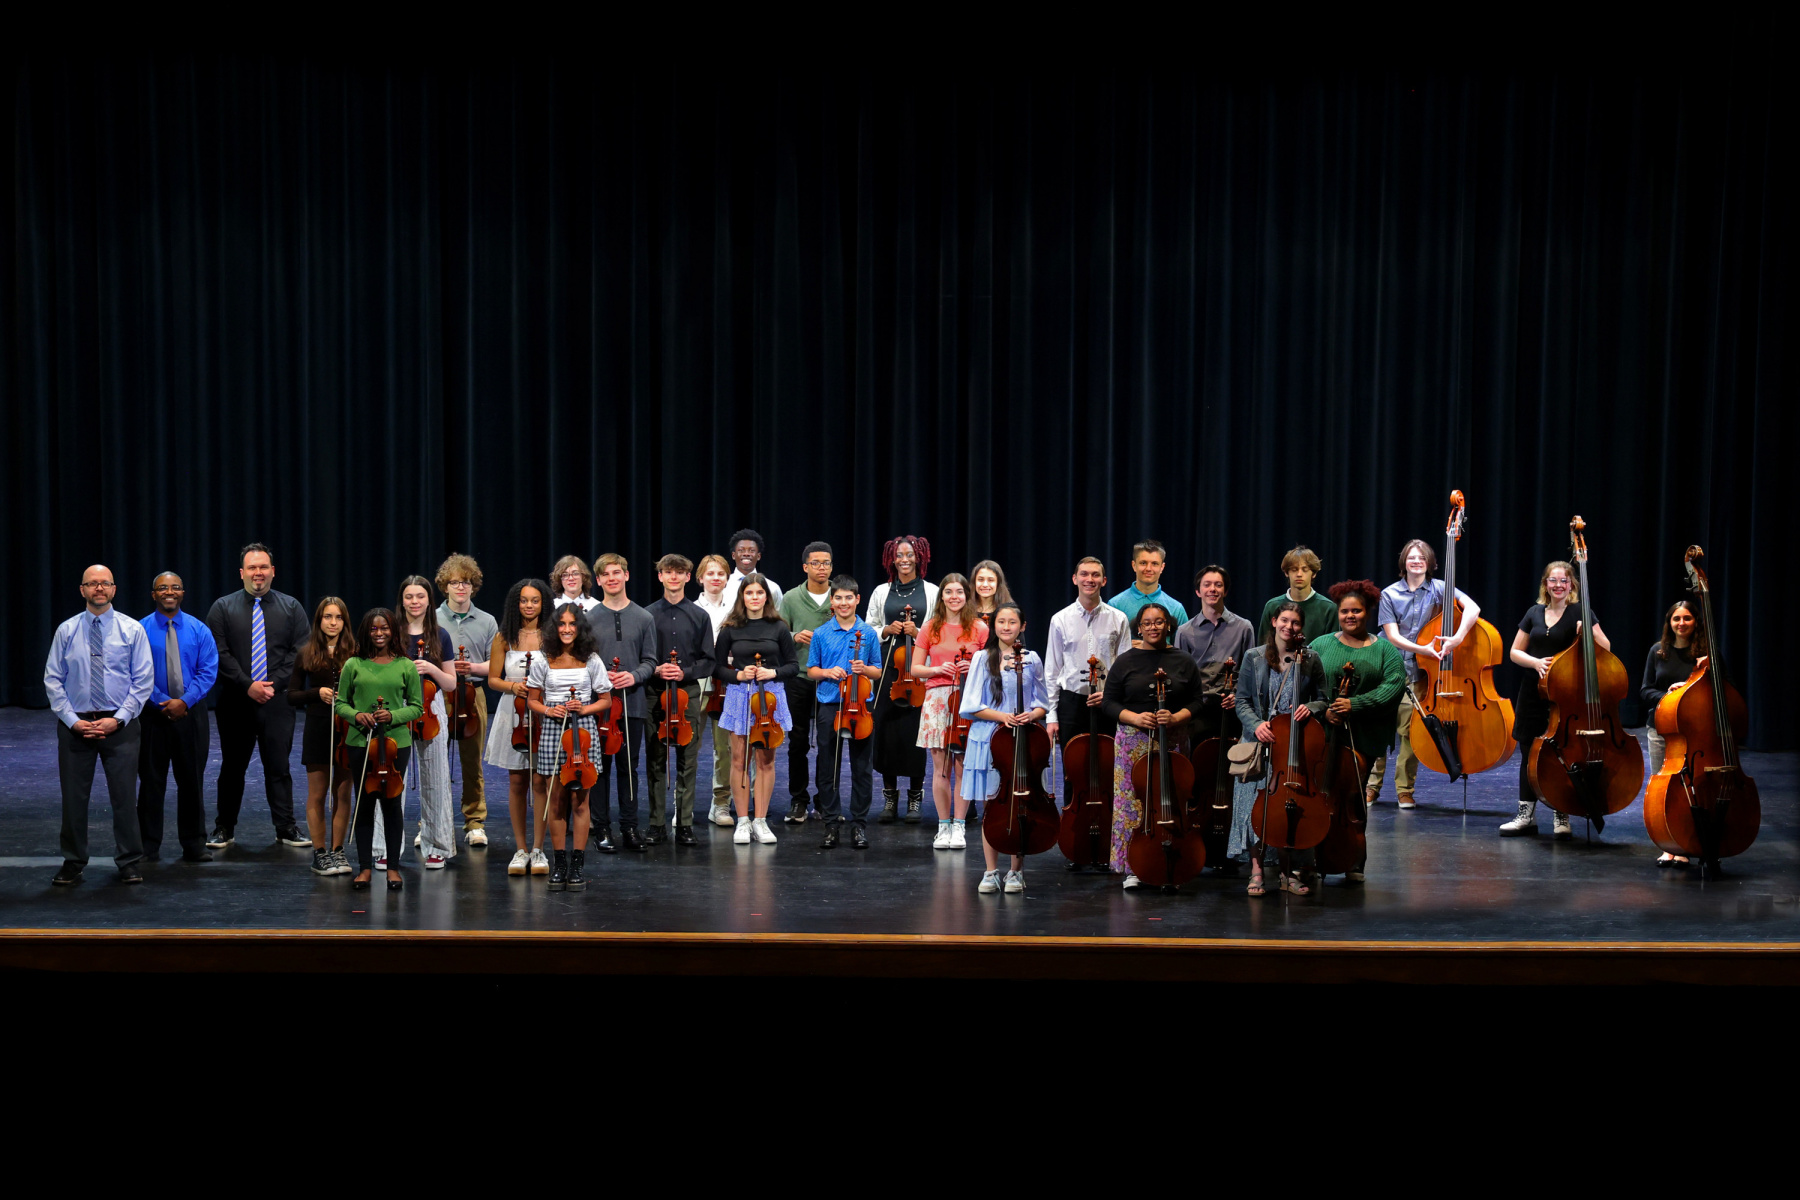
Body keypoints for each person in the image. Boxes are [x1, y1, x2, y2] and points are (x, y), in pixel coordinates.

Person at [44, 565, 154, 886]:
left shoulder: (132, 630)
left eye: (104, 583)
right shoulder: (66, 631)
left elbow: (143, 680)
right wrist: (73, 721)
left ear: (114, 589)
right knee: (74, 798)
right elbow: (53, 680)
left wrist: (118, 718)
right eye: (92, 584)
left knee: (124, 797)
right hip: (76, 724)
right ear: (82, 590)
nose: (99, 589)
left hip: (120, 723)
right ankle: (74, 861)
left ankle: (130, 861)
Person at [206, 543, 311, 849]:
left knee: (278, 766)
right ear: (242, 573)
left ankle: (286, 828)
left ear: (273, 571)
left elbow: (299, 653)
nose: (258, 573)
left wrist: (272, 685)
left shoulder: (291, 608)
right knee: (232, 768)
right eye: (252, 568)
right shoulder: (222, 608)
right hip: (236, 700)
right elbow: (219, 654)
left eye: (263, 567)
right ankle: (224, 828)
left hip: (277, 701)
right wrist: (247, 684)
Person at [1502, 561, 1614, 838]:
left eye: (1564, 581)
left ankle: (1560, 815)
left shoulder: (1581, 611)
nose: (1558, 586)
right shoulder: (1534, 612)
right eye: (1553, 581)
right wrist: (1535, 662)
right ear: (1546, 584)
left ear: (1571, 585)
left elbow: (1606, 647)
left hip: (1566, 696)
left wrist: (1585, 631)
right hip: (1533, 692)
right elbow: (1515, 652)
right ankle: (1525, 815)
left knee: (1561, 754)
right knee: (1529, 753)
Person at [1371, 539, 1481, 810]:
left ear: (1430, 563)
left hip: (1420, 674)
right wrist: (1423, 648)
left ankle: (1404, 790)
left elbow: (1473, 609)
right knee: (1378, 731)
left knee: (1411, 733)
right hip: (1387, 669)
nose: (1416, 561)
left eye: (1421, 557)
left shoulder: (1440, 588)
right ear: (1404, 562)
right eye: (1411, 557)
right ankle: (1370, 787)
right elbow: (1393, 637)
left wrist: (1456, 638)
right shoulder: (1389, 594)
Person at [1310, 580, 1407, 884]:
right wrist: (1325, 709)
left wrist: (1355, 704)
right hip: (1323, 734)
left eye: (1357, 611)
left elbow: (1393, 687)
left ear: (1368, 613)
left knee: (1351, 801)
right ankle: (1310, 855)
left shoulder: (1385, 650)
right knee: (1318, 795)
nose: (1350, 616)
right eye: (1344, 611)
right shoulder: (1321, 645)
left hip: (1363, 737)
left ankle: (1354, 860)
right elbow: (1306, 685)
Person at [1101, 604, 1200, 890]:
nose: (1154, 627)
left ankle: (1173, 863)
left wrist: (1177, 717)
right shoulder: (1125, 661)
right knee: (1133, 804)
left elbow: (1197, 700)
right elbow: (1108, 702)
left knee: (1170, 801)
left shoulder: (1183, 660)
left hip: (1173, 738)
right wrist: (1135, 717)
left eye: (1159, 622)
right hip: (1133, 740)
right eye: (1147, 623)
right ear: (1139, 628)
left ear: (1168, 626)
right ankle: (1134, 865)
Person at [1231, 602, 1326, 896]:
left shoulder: (1310, 659)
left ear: (1302, 627)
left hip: (1292, 748)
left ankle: (1287, 874)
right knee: (1254, 809)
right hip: (1260, 742)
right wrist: (1256, 725)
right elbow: (1242, 700)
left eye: (1296, 622)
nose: (1289, 627)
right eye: (1284, 620)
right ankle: (1257, 871)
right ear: (1274, 622)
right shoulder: (1254, 657)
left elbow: (1323, 698)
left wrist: (1310, 707)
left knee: (1288, 809)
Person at [959, 604, 1050, 894]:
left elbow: (1043, 702)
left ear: (1023, 626)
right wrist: (1003, 717)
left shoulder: (1031, 659)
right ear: (994, 626)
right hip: (989, 738)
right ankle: (990, 871)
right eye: (1001, 621)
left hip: (1022, 739)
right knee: (992, 807)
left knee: (1020, 803)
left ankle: (1016, 871)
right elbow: (970, 705)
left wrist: (1031, 715)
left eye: (1013, 622)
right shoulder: (982, 658)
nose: (1007, 627)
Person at [1044, 556, 1131, 858]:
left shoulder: (1118, 619)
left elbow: (1124, 667)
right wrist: (1052, 716)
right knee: (1074, 774)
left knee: (1108, 773)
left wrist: (1109, 696)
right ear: (1075, 578)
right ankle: (1076, 845)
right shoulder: (1061, 619)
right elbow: (1052, 671)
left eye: (1096, 575)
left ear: (1104, 581)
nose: (1089, 579)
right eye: (1084, 574)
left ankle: (1108, 847)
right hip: (1072, 703)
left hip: (1106, 703)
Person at [333, 609, 423, 891]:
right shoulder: (353, 665)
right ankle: (364, 868)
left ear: (393, 631)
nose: (379, 633)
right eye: (373, 629)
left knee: (392, 805)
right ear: (366, 632)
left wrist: (393, 716)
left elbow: (417, 707)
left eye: (384, 628)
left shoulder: (406, 666)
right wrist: (357, 715)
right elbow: (340, 703)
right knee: (364, 804)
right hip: (360, 743)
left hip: (396, 745)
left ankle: (393, 868)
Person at [527, 604, 612, 890]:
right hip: (553, 730)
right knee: (557, 799)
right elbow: (532, 700)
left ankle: (577, 864)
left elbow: (606, 700)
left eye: (572, 624)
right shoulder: (543, 658)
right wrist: (548, 710)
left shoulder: (592, 660)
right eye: (561, 624)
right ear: (554, 627)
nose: (566, 629)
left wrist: (584, 708)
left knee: (581, 801)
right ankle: (559, 862)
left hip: (583, 733)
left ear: (580, 628)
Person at [137, 572, 218, 863]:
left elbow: (208, 671)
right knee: (151, 781)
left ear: (182, 593)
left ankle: (194, 843)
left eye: (174, 588)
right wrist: (161, 701)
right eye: (162, 588)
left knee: (191, 780)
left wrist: (184, 701)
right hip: (151, 715)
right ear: (153, 594)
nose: (169, 592)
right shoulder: (139, 630)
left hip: (191, 714)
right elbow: (136, 673)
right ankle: (147, 845)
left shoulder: (199, 630)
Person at [713, 574, 798, 844]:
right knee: (739, 760)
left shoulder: (779, 627)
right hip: (740, 695)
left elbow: (793, 666)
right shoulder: (730, 628)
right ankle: (743, 821)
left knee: (766, 761)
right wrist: (738, 675)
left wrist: (772, 672)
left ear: (766, 597)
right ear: (742, 597)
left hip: (769, 698)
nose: (754, 598)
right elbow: (715, 667)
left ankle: (760, 821)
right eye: (749, 593)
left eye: (759, 593)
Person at [379, 577, 456, 870]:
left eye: (420, 596)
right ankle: (385, 846)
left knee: (436, 778)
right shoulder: (390, 632)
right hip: (395, 707)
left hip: (430, 708)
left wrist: (430, 668)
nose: (414, 602)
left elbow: (450, 683)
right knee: (389, 776)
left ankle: (436, 845)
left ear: (428, 600)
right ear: (402, 600)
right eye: (409, 596)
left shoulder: (440, 635)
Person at [585, 554, 659, 852]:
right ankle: (601, 827)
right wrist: (600, 679)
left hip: (633, 703)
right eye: (606, 574)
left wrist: (634, 676)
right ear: (599, 580)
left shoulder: (644, 617)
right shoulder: (588, 619)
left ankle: (629, 827)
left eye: (618, 572)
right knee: (599, 768)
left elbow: (651, 660)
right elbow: (582, 661)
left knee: (629, 767)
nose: (612, 578)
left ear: (627, 576)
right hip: (599, 706)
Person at [806, 575, 884, 848]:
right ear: (832, 600)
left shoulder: (869, 634)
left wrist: (866, 670)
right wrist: (827, 672)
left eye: (848, 598)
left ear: (857, 600)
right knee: (828, 766)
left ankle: (859, 824)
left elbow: (878, 670)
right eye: (838, 598)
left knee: (862, 768)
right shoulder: (821, 634)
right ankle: (830, 823)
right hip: (830, 706)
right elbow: (811, 669)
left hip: (861, 707)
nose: (843, 603)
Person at [912, 572, 989, 848]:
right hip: (937, 699)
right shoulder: (930, 627)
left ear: (967, 596)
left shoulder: (979, 628)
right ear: (941, 596)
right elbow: (915, 669)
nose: (954, 597)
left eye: (959, 592)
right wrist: (936, 668)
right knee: (940, 767)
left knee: (962, 766)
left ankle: (959, 825)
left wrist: (975, 667)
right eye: (949, 592)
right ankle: (943, 826)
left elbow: (991, 669)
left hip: (966, 700)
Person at [867, 535, 939, 824]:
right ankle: (889, 797)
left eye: (910, 554)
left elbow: (938, 629)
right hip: (889, 671)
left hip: (919, 672)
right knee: (886, 732)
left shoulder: (932, 591)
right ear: (891, 559)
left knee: (914, 734)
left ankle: (915, 798)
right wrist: (886, 629)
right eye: (899, 555)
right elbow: (869, 625)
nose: (904, 559)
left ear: (919, 557)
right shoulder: (881, 591)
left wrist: (917, 630)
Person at [645, 554, 715, 846]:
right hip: (655, 693)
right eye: (667, 572)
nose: (673, 577)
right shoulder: (647, 615)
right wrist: (657, 668)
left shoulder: (700, 616)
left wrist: (683, 671)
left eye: (679, 572)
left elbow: (708, 660)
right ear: (660, 576)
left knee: (688, 759)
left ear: (688, 577)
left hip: (687, 692)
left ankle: (684, 823)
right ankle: (656, 823)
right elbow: (642, 657)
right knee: (655, 759)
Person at [487, 578, 553, 875]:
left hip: (543, 713)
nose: (529, 605)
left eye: (534, 600)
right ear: (516, 604)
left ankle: (539, 849)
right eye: (524, 600)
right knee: (517, 782)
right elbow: (493, 679)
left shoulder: (552, 636)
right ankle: (520, 849)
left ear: (543, 603)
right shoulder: (504, 637)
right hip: (513, 714)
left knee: (541, 782)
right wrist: (514, 687)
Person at [287, 596, 355, 876]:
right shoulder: (306, 653)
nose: (333, 622)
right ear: (319, 620)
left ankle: (338, 851)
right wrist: (317, 693)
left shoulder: (355, 652)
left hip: (347, 729)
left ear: (344, 622)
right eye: (328, 617)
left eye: (338, 617)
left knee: (343, 792)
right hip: (317, 728)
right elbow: (291, 696)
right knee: (317, 793)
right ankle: (319, 853)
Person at [435, 553, 496, 847]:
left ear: (474, 586)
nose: (460, 587)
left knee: (472, 762)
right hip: (437, 695)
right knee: (434, 760)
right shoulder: (432, 618)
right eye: (455, 582)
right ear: (445, 585)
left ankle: (474, 821)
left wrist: (471, 668)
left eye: (466, 582)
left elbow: (495, 666)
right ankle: (431, 820)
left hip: (473, 694)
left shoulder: (487, 621)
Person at [1642, 599, 1706, 866]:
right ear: (1669, 623)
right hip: (1661, 729)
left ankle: (1687, 842)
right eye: (1676, 619)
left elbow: (1725, 688)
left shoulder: (1705, 653)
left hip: (1696, 732)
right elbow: (1645, 690)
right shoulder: (1658, 651)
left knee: (1691, 789)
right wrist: (1667, 694)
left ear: (1696, 622)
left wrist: (1692, 687)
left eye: (1687, 618)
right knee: (1664, 789)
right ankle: (1668, 845)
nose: (1682, 623)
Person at [778, 542, 836, 822]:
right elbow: (778, 633)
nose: (821, 568)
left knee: (829, 742)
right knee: (797, 742)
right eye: (816, 563)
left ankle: (826, 800)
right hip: (799, 677)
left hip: (831, 679)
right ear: (805, 567)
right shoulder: (791, 598)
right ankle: (798, 800)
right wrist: (794, 636)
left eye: (826, 563)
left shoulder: (839, 595)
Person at [1173, 564, 1256, 746]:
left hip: (1232, 708)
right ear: (1198, 591)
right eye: (1207, 584)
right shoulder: (1184, 631)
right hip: (1197, 710)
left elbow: (1250, 673)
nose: (1212, 589)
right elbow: (1180, 676)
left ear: (1225, 591)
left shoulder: (1244, 628)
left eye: (1218, 585)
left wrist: (1238, 695)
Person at [694, 553, 736, 828]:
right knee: (689, 746)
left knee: (726, 749)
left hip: (727, 683)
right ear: (700, 578)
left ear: (727, 578)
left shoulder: (736, 610)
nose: (716, 578)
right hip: (697, 683)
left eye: (721, 573)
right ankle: (682, 806)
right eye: (710, 573)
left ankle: (721, 804)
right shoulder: (691, 609)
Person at [1256, 545, 1337, 643]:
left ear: (1314, 574)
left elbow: (1331, 648)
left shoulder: (1328, 608)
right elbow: (1262, 647)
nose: (1299, 574)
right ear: (1286, 572)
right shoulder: (1272, 606)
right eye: (1294, 569)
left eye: (1305, 569)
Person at [1108, 540, 1190, 631]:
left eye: (1154, 564)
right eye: (1143, 563)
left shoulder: (1176, 609)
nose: (1148, 568)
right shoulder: (1115, 605)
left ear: (1162, 567)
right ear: (1134, 565)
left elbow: (1182, 644)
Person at [722, 528, 784, 611]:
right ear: (733, 555)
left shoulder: (772, 587)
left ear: (758, 556)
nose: (746, 554)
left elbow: (779, 617)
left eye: (751, 551)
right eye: (741, 550)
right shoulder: (723, 585)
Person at [969, 560, 1014, 629]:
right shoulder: (965, 609)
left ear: (998, 583)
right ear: (974, 582)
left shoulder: (1011, 611)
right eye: (981, 580)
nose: (985, 584)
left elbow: (1017, 638)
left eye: (990, 580)